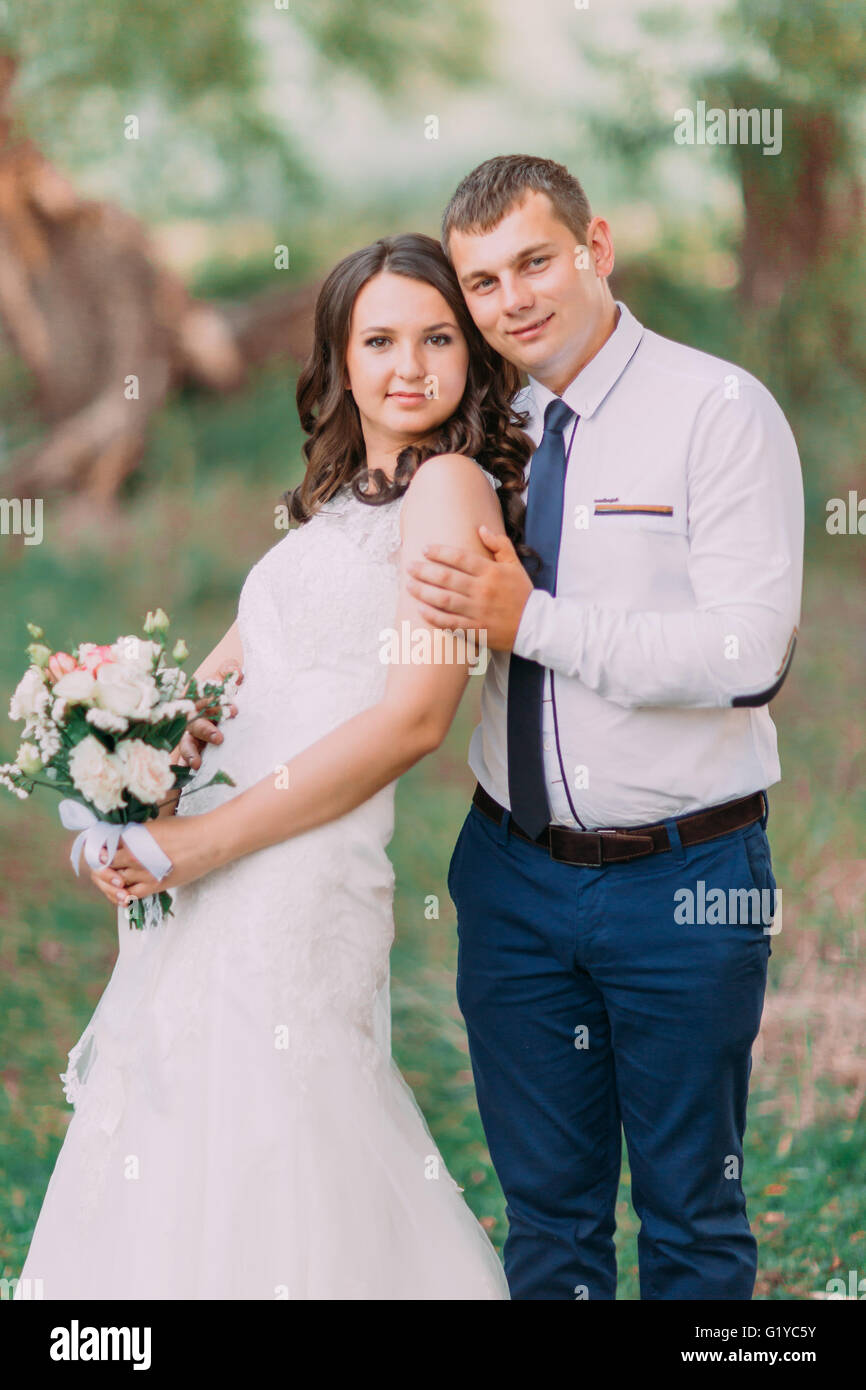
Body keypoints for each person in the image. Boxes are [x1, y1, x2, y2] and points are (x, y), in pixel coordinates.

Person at [15, 232, 531, 1300]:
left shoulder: (448, 490)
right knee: (186, 1110)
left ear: (470, 355)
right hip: (208, 860)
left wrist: (198, 840)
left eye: (436, 337)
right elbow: (216, 688)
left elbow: (409, 723)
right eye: (378, 338)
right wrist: (125, 775)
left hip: (293, 868)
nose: (408, 363)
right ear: (338, 359)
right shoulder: (335, 503)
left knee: (277, 1118)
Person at [404, 154, 804, 1300]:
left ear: (597, 247)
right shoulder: (478, 429)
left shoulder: (714, 409)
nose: (511, 300)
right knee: (549, 1223)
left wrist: (531, 622)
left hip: (682, 880)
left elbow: (747, 657)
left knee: (690, 1219)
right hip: (510, 878)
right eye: (481, 283)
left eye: (534, 261)